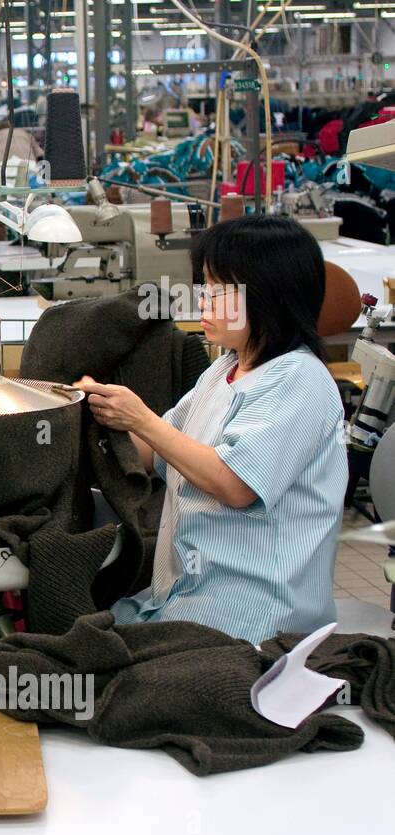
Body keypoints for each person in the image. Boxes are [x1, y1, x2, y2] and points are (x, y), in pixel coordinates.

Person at [75, 216, 347, 645]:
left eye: (219, 291)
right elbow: (157, 449)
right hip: (186, 597)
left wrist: (139, 417)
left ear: (268, 296)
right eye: (204, 287)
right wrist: (91, 413)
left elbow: (234, 484)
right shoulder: (224, 370)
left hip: (256, 617)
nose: (202, 301)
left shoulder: (299, 379)